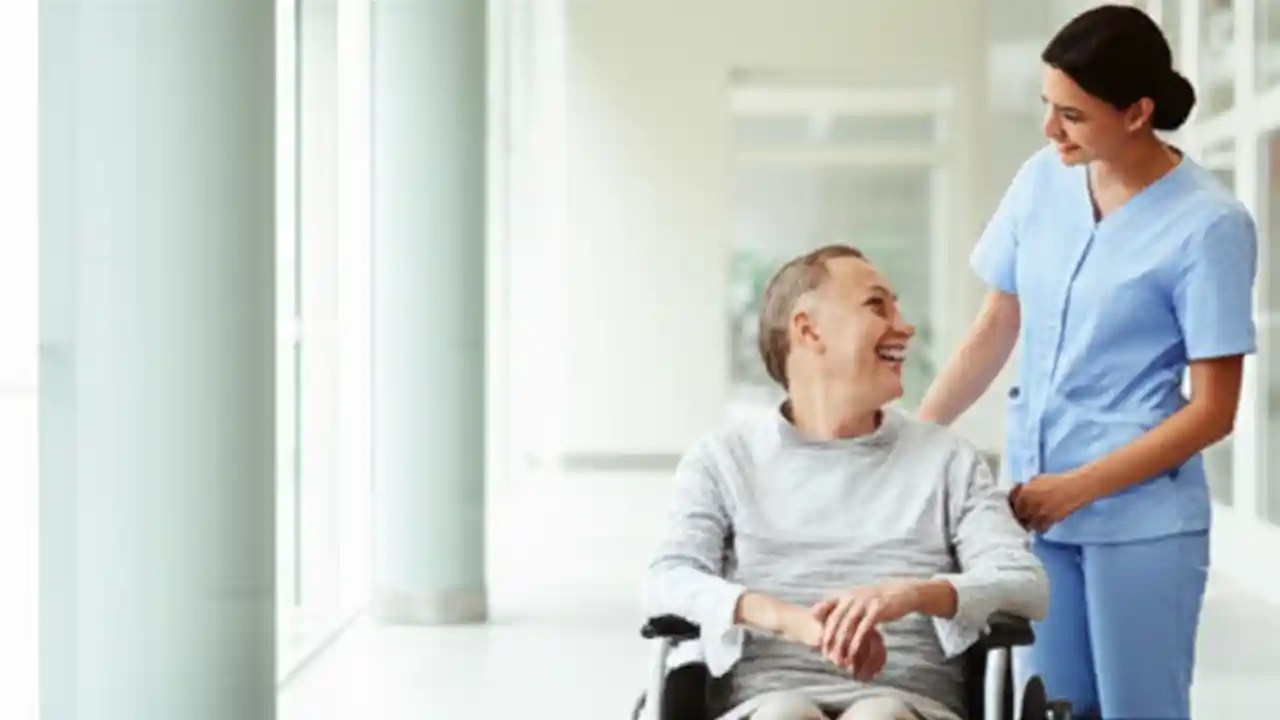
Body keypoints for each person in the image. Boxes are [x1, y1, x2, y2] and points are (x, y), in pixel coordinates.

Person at [917, 6, 1258, 719]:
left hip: (1140, 519)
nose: (1050, 130)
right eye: (1047, 106)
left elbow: (1213, 410)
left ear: (1137, 112)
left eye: (1071, 114)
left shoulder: (1209, 224)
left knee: (1140, 710)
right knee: (1056, 707)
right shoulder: (1042, 181)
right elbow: (994, 326)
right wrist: (913, 442)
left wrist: (1079, 487)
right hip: (1037, 510)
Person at [644, 245, 1047, 720]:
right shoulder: (723, 460)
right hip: (763, 703)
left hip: (913, 706)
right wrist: (787, 619)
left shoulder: (948, 460)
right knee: (784, 715)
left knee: (880, 714)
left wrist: (912, 594)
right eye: (878, 306)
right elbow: (666, 579)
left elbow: (1024, 583)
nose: (904, 326)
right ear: (808, 329)